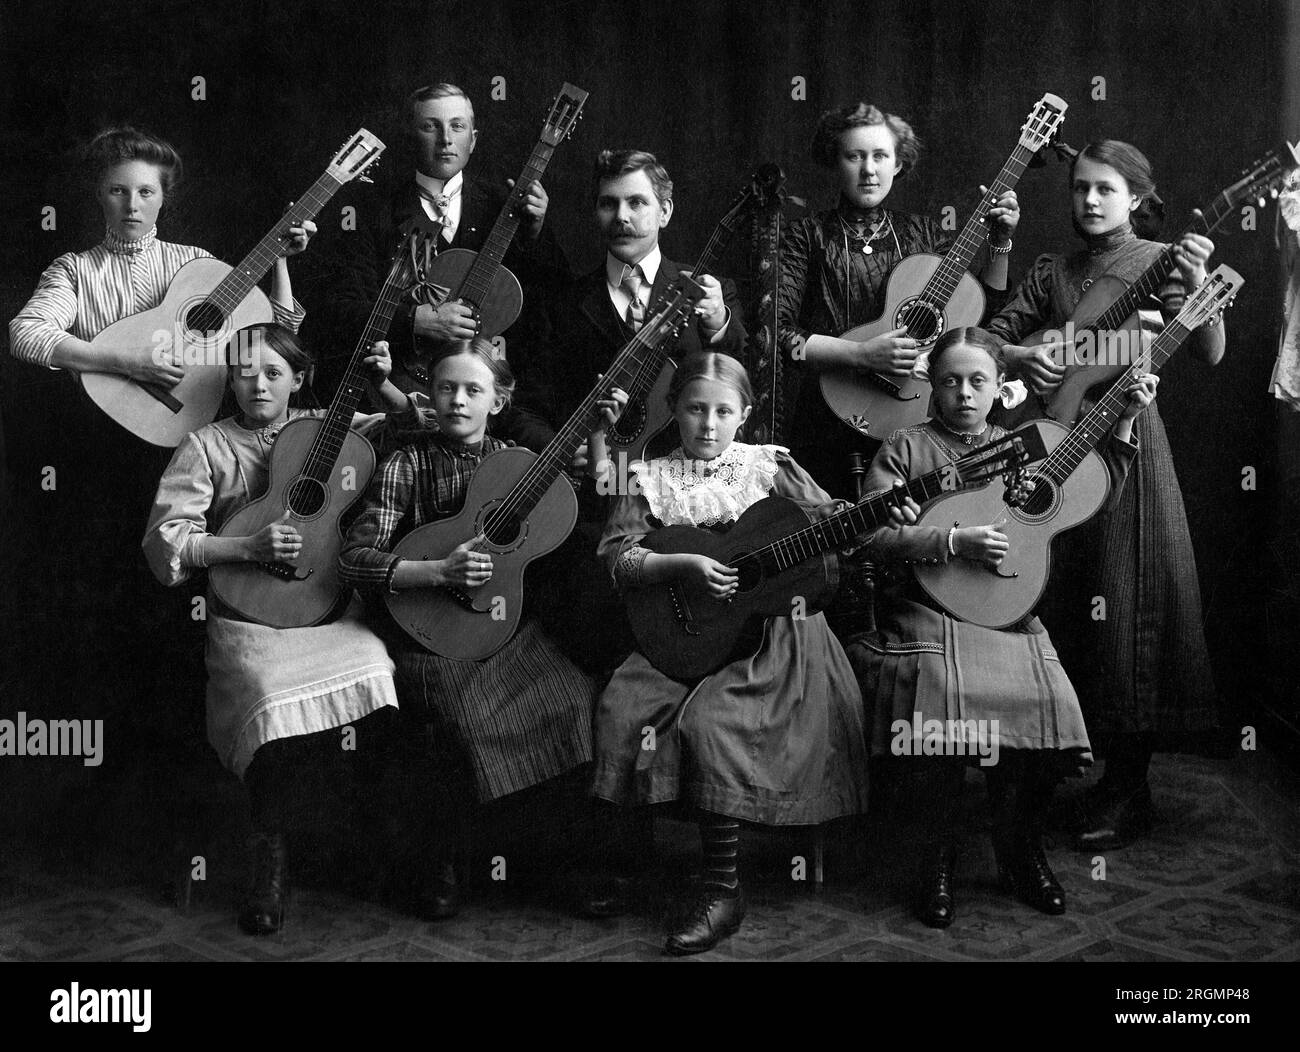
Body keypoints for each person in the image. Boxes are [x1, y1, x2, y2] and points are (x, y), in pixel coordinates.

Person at [846, 327, 1156, 927]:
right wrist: (950, 540)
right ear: (931, 387)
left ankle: (1019, 848)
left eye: (978, 381)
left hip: (1007, 612)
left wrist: (1122, 423)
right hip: (926, 611)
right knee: (938, 696)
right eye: (950, 381)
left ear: (998, 388)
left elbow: (1093, 495)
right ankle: (935, 857)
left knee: (1046, 696)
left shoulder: (1026, 447)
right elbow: (866, 536)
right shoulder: (905, 449)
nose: (964, 393)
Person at [987, 140, 1225, 849]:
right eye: (1080, 188)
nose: (1089, 201)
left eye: (1106, 190)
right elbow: (989, 336)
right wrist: (1022, 353)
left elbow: (1209, 351)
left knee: (1129, 605)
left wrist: (1201, 277)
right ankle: (1056, 759)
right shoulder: (1052, 270)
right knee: (1059, 599)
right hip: (1053, 449)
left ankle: (1129, 787)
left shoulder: (1159, 262)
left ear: (1138, 198)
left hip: (1130, 449)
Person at [142, 323, 416, 935]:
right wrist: (245, 544)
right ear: (228, 378)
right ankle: (270, 860)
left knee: (379, 670)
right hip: (248, 618)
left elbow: (410, 430)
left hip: (324, 610)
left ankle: (360, 851)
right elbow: (166, 547)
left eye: (274, 372)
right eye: (245, 371)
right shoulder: (206, 447)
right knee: (269, 698)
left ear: (300, 378)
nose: (258, 383)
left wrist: (385, 385)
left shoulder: (328, 427)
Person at [593, 351, 870, 955]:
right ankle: (630, 863)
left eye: (723, 411)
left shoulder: (769, 468)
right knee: (623, 705)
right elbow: (619, 556)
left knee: (716, 721)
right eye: (696, 409)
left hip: (775, 635)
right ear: (674, 411)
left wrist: (869, 517)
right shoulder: (647, 475)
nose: (709, 424)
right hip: (684, 633)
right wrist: (684, 563)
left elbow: (828, 520)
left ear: (745, 415)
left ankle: (723, 889)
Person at [338, 337, 599, 917]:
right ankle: (441, 866)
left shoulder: (518, 465)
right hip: (431, 630)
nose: (458, 400)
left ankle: (551, 866)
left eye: (473, 390)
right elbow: (353, 560)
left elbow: (561, 518)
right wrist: (436, 569)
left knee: (573, 698)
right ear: (428, 393)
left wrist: (598, 439)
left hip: (505, 629)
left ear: (498, 401)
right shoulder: (406, 463)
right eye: (446, 388)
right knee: (454, 721)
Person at [516, 149, 748, 673]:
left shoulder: (708, 294)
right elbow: (525, 407)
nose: (621, 216)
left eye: (637, 202)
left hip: (688, 493)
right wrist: (563, 449)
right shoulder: (562, 302)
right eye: (608, 204)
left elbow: (736, 381)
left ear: (665, 211)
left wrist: (715, 324)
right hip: (594, 501)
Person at [775, 103, 1020, 498]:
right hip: (827, 414)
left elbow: (978, 321)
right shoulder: (806, 235)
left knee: (914, 527)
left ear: (898, 163)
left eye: (880, 156)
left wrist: (999, 243)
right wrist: (861, 356)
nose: (868, 170)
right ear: (836, 162)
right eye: (854, 156)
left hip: (914, 416)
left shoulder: (924, 232)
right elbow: (779, 335)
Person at [308, 82, 565, 449]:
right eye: (431, 126)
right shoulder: (370, 211)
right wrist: (415, 320)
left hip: (490, 397)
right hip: (397, 391)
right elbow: (337, 311)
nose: (446, 138)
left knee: (549, 461)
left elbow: (552, 300)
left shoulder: (505, 207)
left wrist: (535, 232)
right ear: (411, 136)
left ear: (473, 139)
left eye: (457, 126)